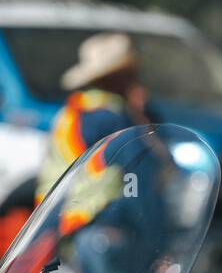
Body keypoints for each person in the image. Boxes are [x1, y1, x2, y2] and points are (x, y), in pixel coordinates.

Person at [34, 32, 148, 204]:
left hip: (55, 212)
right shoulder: (112, 117)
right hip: (95, 217)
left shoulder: (74, 109)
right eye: (131, 74)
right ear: (117, 78)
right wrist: (140, 117)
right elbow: (141, 164)